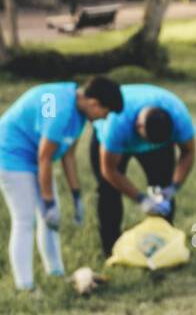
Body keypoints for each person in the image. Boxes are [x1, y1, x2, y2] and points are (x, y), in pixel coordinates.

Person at [0, 76, 123, 292]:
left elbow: (68, 156)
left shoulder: (80, 114)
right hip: (11, 155)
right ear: (94, 104)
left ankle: (56, 274)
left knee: (50, 221)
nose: (105, 117)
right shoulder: (58, 110)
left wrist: (76, 195)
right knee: (25, 219)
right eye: (107, 112)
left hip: (37, 157)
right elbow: (44, 157)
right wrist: (47, 202)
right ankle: (25, 287)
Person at [89, 83, 196, 256]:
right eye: (146, 141)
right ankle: (111, 248)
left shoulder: (178, 116)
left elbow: (189, 152)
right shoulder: (116, 123)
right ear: (139, 127)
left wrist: (173, 188)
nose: (146, 146)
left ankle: (162, 245)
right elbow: (109, 170)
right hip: (116, 145)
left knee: (161, 189)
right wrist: (140, 199)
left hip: (157, 144)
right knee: (108, 192)